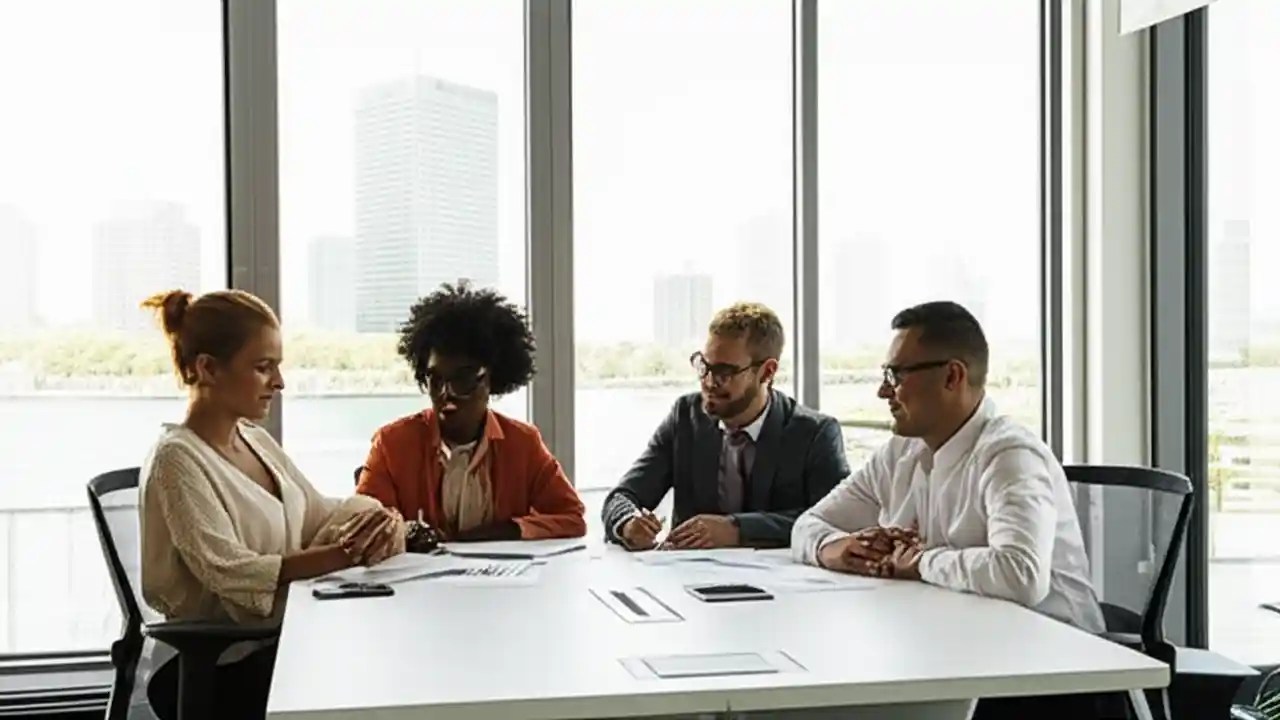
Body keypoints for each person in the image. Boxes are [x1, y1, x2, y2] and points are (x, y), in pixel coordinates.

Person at [790, 301, 1109, 719]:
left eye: (896, 375)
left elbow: (1022, 574)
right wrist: (833, 548)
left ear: (952, 376)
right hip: (958, 652)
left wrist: (922, 561)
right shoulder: (902, 450)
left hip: (1051, 671)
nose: (883, 391)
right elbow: (809, 524)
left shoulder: (1010, 454)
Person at [138, 289, 404, 720]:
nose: (278, 382)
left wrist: (379, 521)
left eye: (277, 367)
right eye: (263, 368)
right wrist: (344, 553)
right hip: (212, 665)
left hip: (276, 645)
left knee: (388, 659)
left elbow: (320, 515)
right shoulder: (176, 461)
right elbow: (230, 569)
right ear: (206, 368)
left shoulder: (256, 441)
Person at [602, 302, 849, 550]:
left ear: (767, 372)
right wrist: (628, 523)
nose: (709, 382)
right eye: (704, 366)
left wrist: (736, 529)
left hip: (784, 583)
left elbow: (836, 519)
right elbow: (622, 497)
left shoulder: (815, 434)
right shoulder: (686, 418)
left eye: (724, 372)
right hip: (687, 577)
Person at [357, 282, 585, 540]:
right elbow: (365, 525)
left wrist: (507, 530)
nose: (446, 394)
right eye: (435, 380)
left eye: (462, 379)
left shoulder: (523, 444)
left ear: (491, 379)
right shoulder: (391, 444)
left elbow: (571, 518)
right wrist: (406, 533)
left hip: (500, 578)